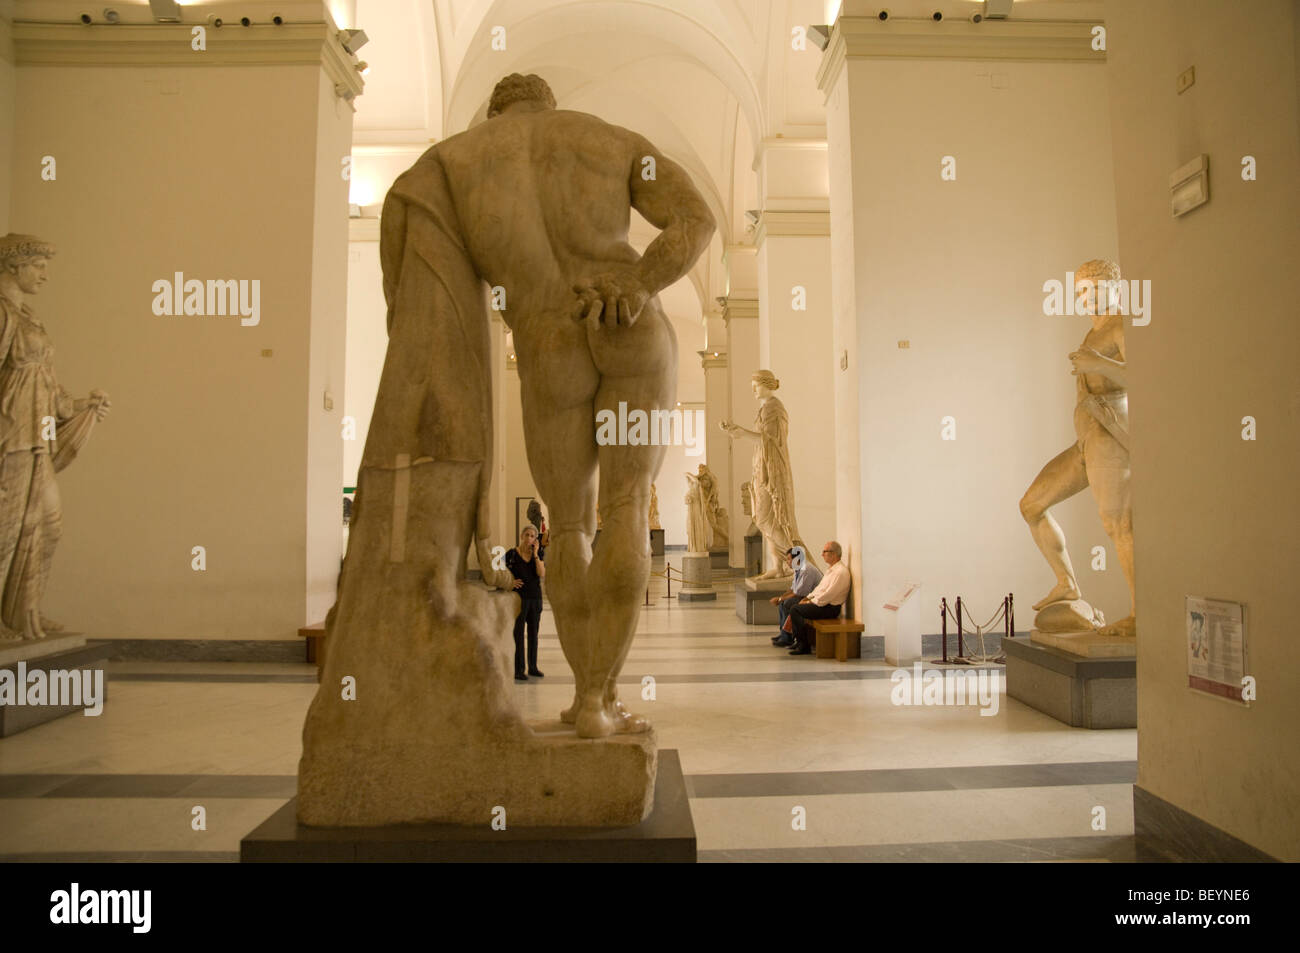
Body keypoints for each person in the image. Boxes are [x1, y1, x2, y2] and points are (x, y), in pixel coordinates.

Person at [0, 234, 111, 641]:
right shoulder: (3, 315)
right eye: (38, 264)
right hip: (10, 437)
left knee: (48, 522)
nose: (45, 274)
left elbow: (44, 381)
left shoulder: (27, 315)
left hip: (35, 435)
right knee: (7, 529)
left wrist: (78, 405)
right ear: (13, 266)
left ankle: (25, 609)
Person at [1019, 259, 1135, 637]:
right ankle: (1067, 583)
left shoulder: (1122, 325)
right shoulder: (1092, 333)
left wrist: (1098, 362)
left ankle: (1140, 613)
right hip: (1085, 440)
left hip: (1109, 434)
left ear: (1112, 287)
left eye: (1091, 289)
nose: (1085, 298)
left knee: (1117, 525)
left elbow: (1144, 374)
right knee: (1032, 504)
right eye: (1080, 292)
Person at [786, 541, 850, 656]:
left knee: (795, 609)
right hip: (823, 604)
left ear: (834, 554)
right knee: (795, 606)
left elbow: (829, 595)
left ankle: (804, 645)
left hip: (830, 608)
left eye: (824, 551)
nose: (822, 554)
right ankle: (799, 641)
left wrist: (810, 602)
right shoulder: (831, 570)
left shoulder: (840, 572)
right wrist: (807, 598)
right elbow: (819, 589)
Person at [505, 525, 546, 681]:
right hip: (518, 599)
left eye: (533, 536)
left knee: (533, 634)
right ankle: (518, 669)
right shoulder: (511, 554)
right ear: (522, 536)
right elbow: (498, 572)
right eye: (527, 535)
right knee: (518, 634)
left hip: (535, 598)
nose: (530, 538)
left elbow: (541, 574)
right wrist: (510, 582)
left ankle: (533, 667)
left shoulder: (539, 553)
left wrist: (535, 554)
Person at [769, 546, 822, 648]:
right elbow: (793, 589)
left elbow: (800, 593)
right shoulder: (798, 570)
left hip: (812, 599)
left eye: (789, 559)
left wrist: (780, 599)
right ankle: (784, 634)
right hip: (804, 596)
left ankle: (787, 638)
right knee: (783, 603)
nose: (787, 562)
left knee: (787, 603)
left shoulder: (806, 569)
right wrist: (780, 597)